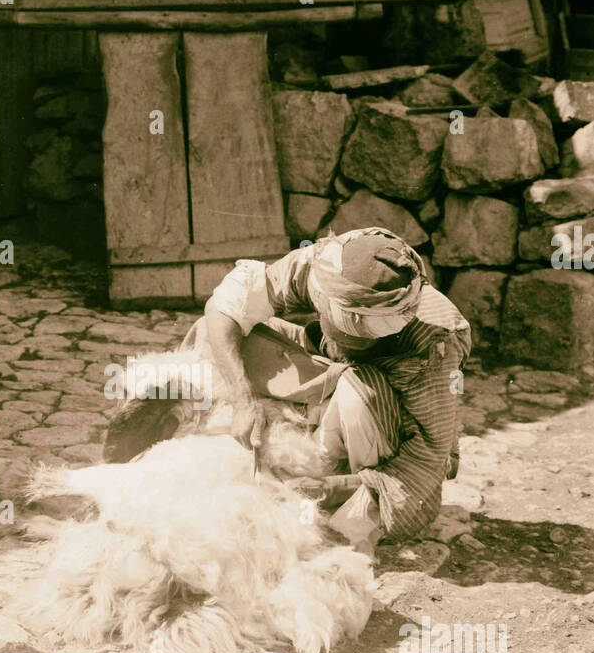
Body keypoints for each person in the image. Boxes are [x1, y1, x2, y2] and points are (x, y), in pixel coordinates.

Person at [201, 227, 471, 555]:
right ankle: (320, 427)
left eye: (359, 332)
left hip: (388, 407)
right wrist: (242, 399)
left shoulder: (435, 344)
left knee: (359, 391)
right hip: (331, 361)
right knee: (217, 335)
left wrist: (328, 489)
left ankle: (343, 469)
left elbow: (427, 461)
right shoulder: (329, 266)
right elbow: (227, 304)